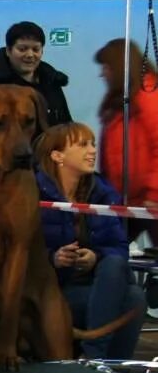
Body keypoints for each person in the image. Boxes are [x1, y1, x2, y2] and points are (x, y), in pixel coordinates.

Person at [35, 122, 143, 360]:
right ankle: (98, 362)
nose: (93, 151)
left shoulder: (102, 192)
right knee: (133, 298)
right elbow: (19, 252)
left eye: (93, 144)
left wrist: (96, 258)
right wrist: (53, 257)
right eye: (83, 145)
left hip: (97, 285)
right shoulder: (33, 194)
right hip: (53, 291)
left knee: (122, 277)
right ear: (57, 155)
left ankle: (98, 361)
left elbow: (118, 247)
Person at [95, 37, 158, 224]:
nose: (102, 74)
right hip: (128, 200)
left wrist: (155, 194)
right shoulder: (120, 100)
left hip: (147, 201)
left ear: (119, 67)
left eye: (105, 67)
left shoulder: (148, 97)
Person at [0, 21, 71, 128]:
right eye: (22, 49)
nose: (30, 55)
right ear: (8, 51)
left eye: (36, 49)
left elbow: (67, 123)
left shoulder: (52, 81)